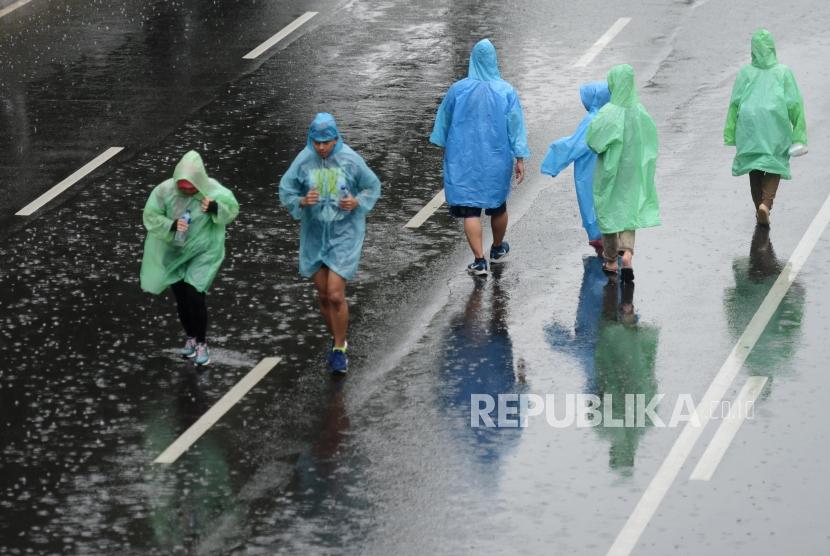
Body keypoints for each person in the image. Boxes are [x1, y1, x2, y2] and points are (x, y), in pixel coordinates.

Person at [279, 113, 381, 373]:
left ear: (336, 138)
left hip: (344, 233)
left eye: (327, 142)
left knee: (335, 293)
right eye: (317, 142)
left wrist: (356, 202)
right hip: (314, 235)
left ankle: (339, 346)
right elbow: (286, 189)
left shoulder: (350, 159)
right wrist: (303, 201)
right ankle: (336, 335)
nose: (322, 147)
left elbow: (372, 186)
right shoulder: (304, 161)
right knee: (323, 294)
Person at [429, 38, 530, 276]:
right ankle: (496, 248)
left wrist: (444, 148)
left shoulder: (458, 90)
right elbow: (516, 126)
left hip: (463, 159)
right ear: (494, 60)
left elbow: (443, 122)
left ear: (472, 60)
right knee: (498, 206)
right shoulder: (506, 91)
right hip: (496, 158)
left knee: (470, 210)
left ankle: (479, 260)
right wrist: (520, 158)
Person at [140, 150, 240, 367]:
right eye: (182, 186)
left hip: (204, 252)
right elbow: (150, 215)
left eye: (190, 186)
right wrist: (172, 225)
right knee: (182, 298)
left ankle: (202, 342)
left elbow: (232, 210)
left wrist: (215, 207)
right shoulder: (164, 191)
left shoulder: (213, 190)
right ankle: (191, 337)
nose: (185, 190)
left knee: (195, 294)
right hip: (174, 251)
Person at [724, 29, 807, 227]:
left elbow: (735, 103)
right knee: (774, 163)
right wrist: (799, 135)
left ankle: (759, 209)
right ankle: (766, 205)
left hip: (750, 125)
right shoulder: (783, 72)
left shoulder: (745, 73)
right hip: (774, 123)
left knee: (754, 165)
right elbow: (795, 104)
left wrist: (730, 133)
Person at [587, 64, 660, 283]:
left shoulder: (608, 113)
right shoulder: (641, 112)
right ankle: (627, 253)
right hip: (633, 171)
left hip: (610, 172)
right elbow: (651, 141)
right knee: (629, 211)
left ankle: (610, 260)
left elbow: (593, 141)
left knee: (609, 213)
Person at [541, 82, 611, 256]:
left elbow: (574, 145)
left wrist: (553, 161)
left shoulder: (591, 120)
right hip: (607, 169)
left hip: (589, 170)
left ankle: (603, 244)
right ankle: (609, 243)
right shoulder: (610, 118)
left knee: (591, 204)